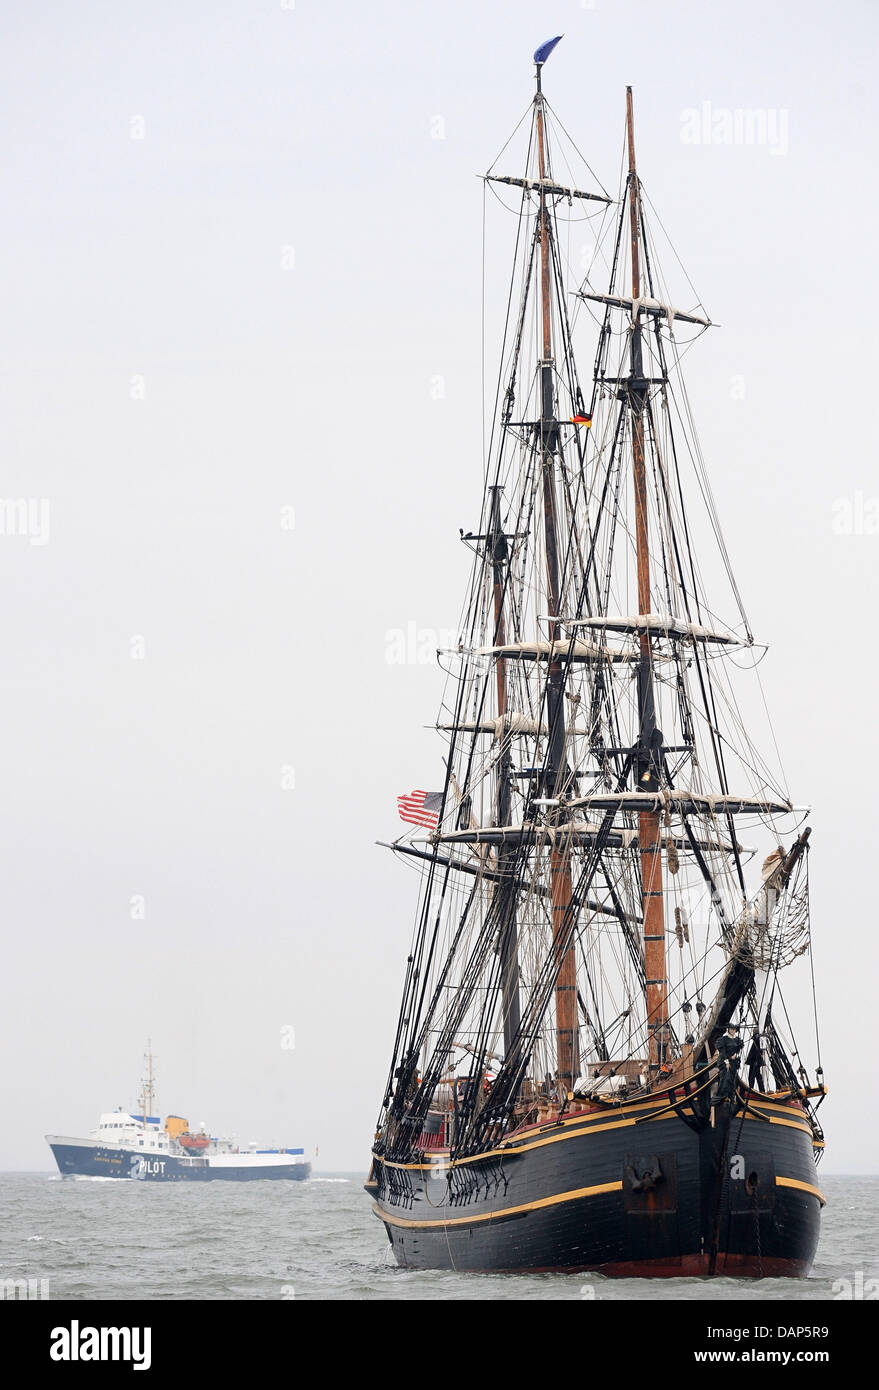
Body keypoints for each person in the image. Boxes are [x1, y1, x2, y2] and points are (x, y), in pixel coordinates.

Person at [712, 1022, 743, 1107]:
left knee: (733, 1080)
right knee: (725, 1079)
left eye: (734, 1029)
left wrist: (735, 1056)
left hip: (733, 1062)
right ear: (728, 1030)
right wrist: (727, 1061)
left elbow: (738, 1049)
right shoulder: (724, 1039)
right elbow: (722, 1052)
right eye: (731, 1029)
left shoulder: (737, 1040)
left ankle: (731, 1097)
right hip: (725, 1061)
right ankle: (722, 1096)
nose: (732, 1031)